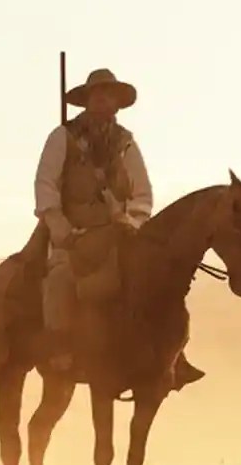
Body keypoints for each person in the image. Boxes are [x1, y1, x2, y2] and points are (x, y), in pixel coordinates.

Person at [33, 68, 202, 388]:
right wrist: (59, 226)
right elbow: (46, 185)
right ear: (86, 100)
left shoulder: (126, 144)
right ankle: (60, 347)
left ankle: (172, 356)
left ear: (117, 103)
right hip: (74, 236)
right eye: (96, 94)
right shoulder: (62, 137)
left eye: (108, 95)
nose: (102, 100)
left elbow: (142, 194)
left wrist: (132, 222)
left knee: (159, 281)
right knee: (60, 278)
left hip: (119, 237)